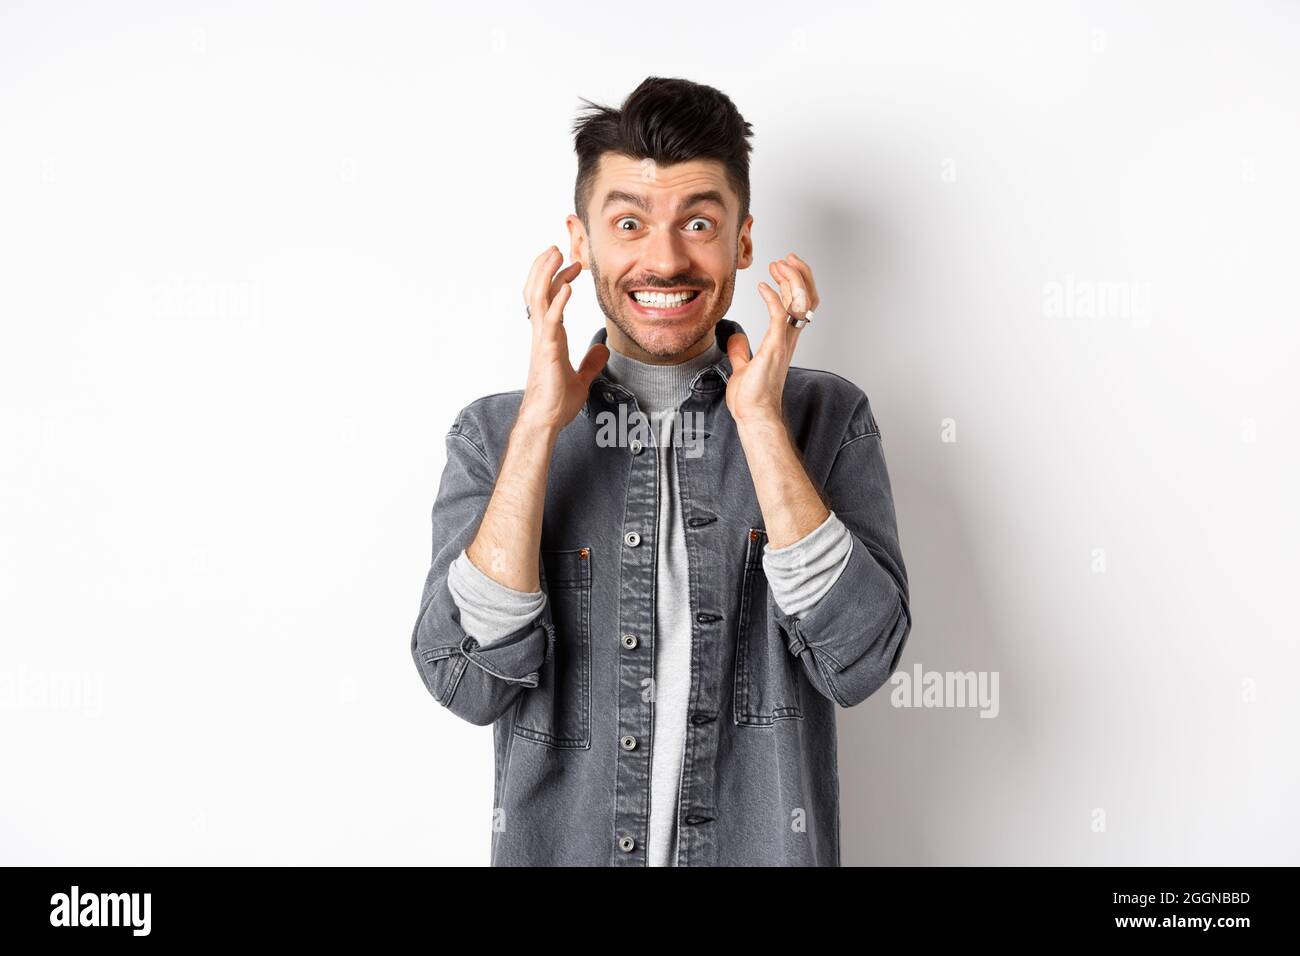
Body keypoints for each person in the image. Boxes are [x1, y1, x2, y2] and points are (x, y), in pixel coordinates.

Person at [410, 76, 911, 866]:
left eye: (699, 222)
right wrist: (540, 429)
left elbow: (860, 663)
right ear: (582, 243)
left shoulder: (827, 421)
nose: (665, 258)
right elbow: (468, 684)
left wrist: (759, 423)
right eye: (630, 222)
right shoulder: (494, 434)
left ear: (742, 241)